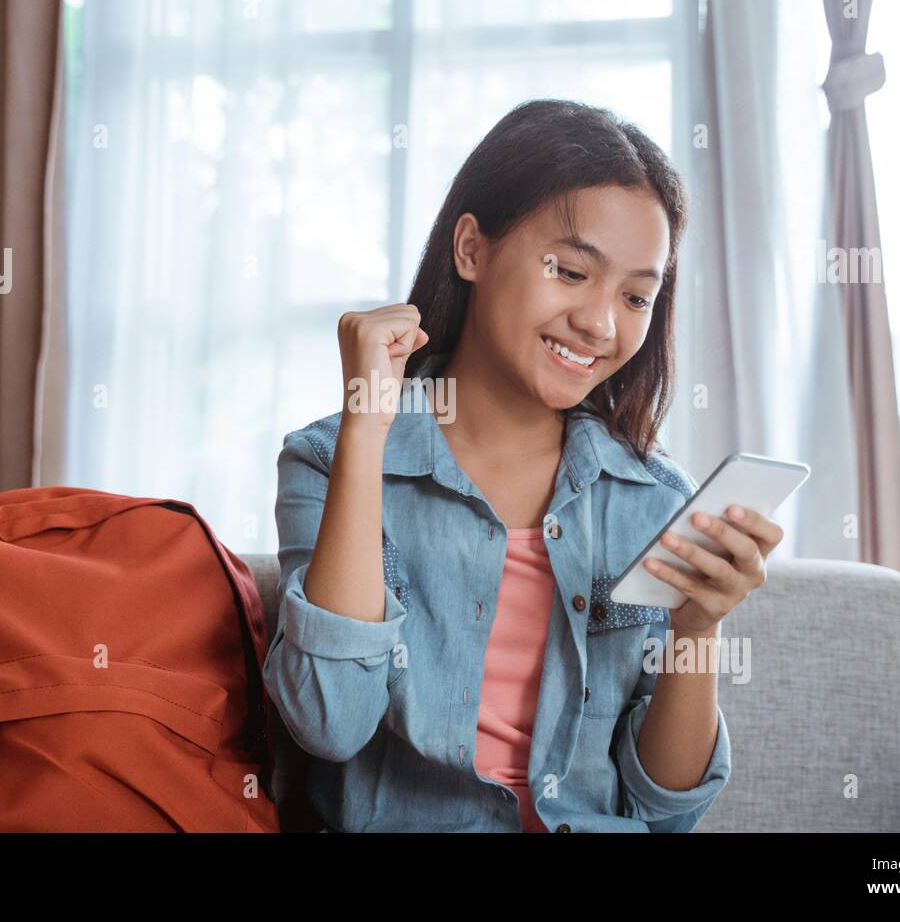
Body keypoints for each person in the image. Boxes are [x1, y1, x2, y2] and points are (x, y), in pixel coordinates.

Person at [263, 98, 785, 832]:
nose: (601, 324)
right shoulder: (330, 462)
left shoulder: (651, 498)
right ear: (471, 248)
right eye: (570, 271)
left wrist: (698, 629)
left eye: (636, 295)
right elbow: (329, 721)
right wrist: (367, 431)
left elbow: (665, 812)